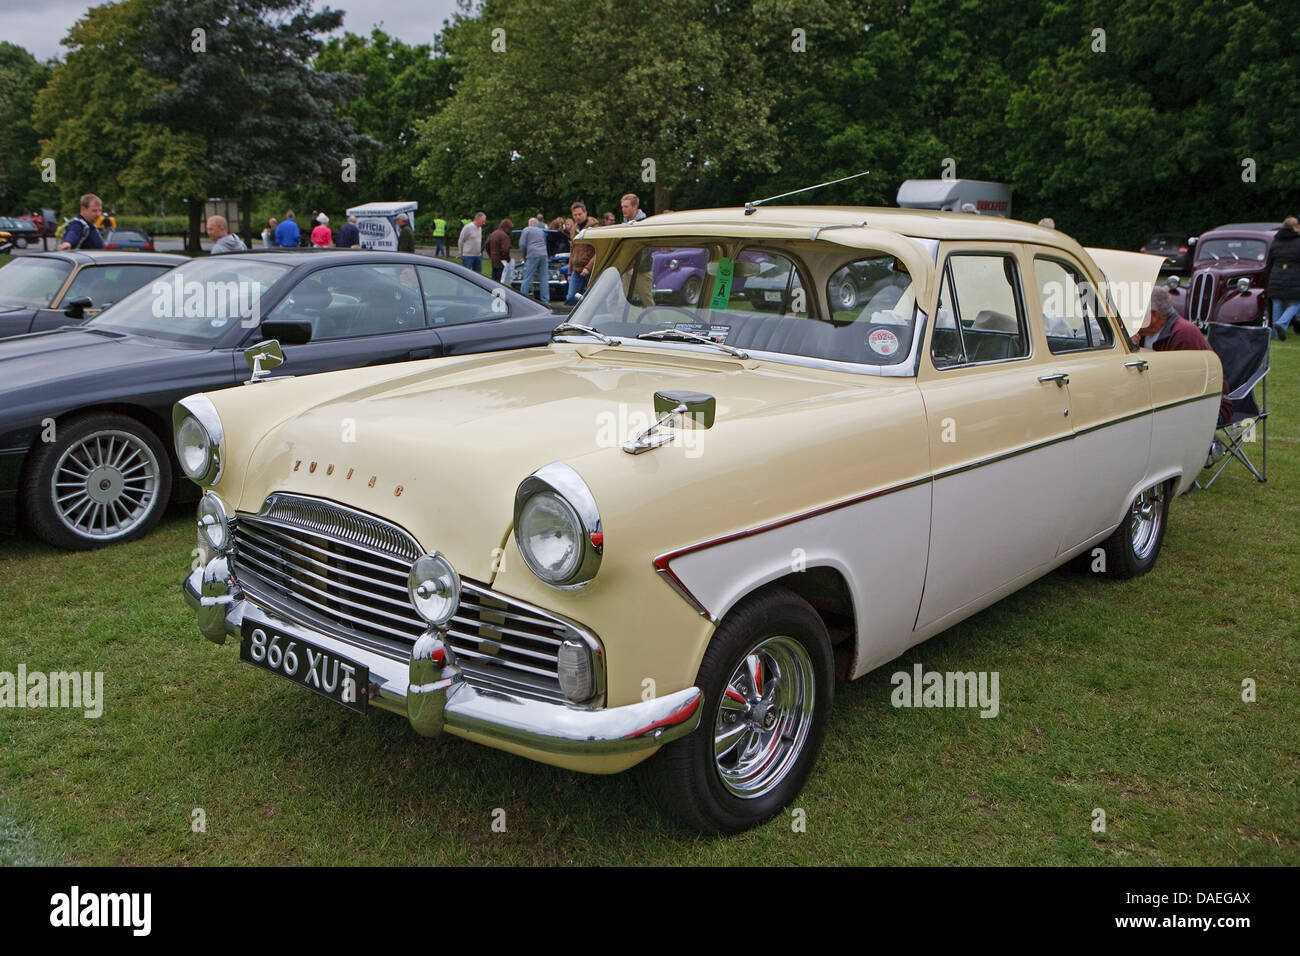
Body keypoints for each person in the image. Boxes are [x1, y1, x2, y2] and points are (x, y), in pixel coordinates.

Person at [1134, 286, 1232, 424]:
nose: (1132, 318)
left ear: (1154, 315)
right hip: (1167, 403)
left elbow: (1182, 385)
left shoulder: (1184, 334)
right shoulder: (1143, 334)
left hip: (1207, 406)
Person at [1265, 216, 1300, 341]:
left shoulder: (1276, 241)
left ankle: (1275, 335)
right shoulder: (1298, 242)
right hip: (1294, 279)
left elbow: (1269, 262)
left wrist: (1268, 278)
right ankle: (1282, 323)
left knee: (1277, 304)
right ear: (1294, 228)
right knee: (1295, 303)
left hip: (1275, 278)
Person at [566, 202, 599, 305]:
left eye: (580, 214)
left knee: (595, 298)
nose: (577, 217)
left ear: (585, 213)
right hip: (576, 269)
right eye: (575, 215)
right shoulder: (573, 229)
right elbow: (572, 251)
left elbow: (599, 250)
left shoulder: (595, 227)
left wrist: (588, 267)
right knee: (571, 297)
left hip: (591, 269)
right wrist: (569, 272)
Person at [518, 217, 549, 303]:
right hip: (543, 254)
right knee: (544, 279)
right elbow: (545, 243)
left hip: (532, 255)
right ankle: (545, 300)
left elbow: (522, 244)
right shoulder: (541, 231)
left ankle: (522, 299)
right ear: (537, 224)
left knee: (527, 277)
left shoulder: (526, 230)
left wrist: (524, 257)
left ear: (529, 223)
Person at [486, 218, 514, 282]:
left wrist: (491, 255)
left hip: (494, 260)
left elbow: (487, 245)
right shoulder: (505, 236)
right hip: (502, 262)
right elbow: (506, 250)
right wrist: (507, 259)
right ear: (506, 227)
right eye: (510, 229)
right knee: (501, 281)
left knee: (494, 281)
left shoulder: (493, 234)